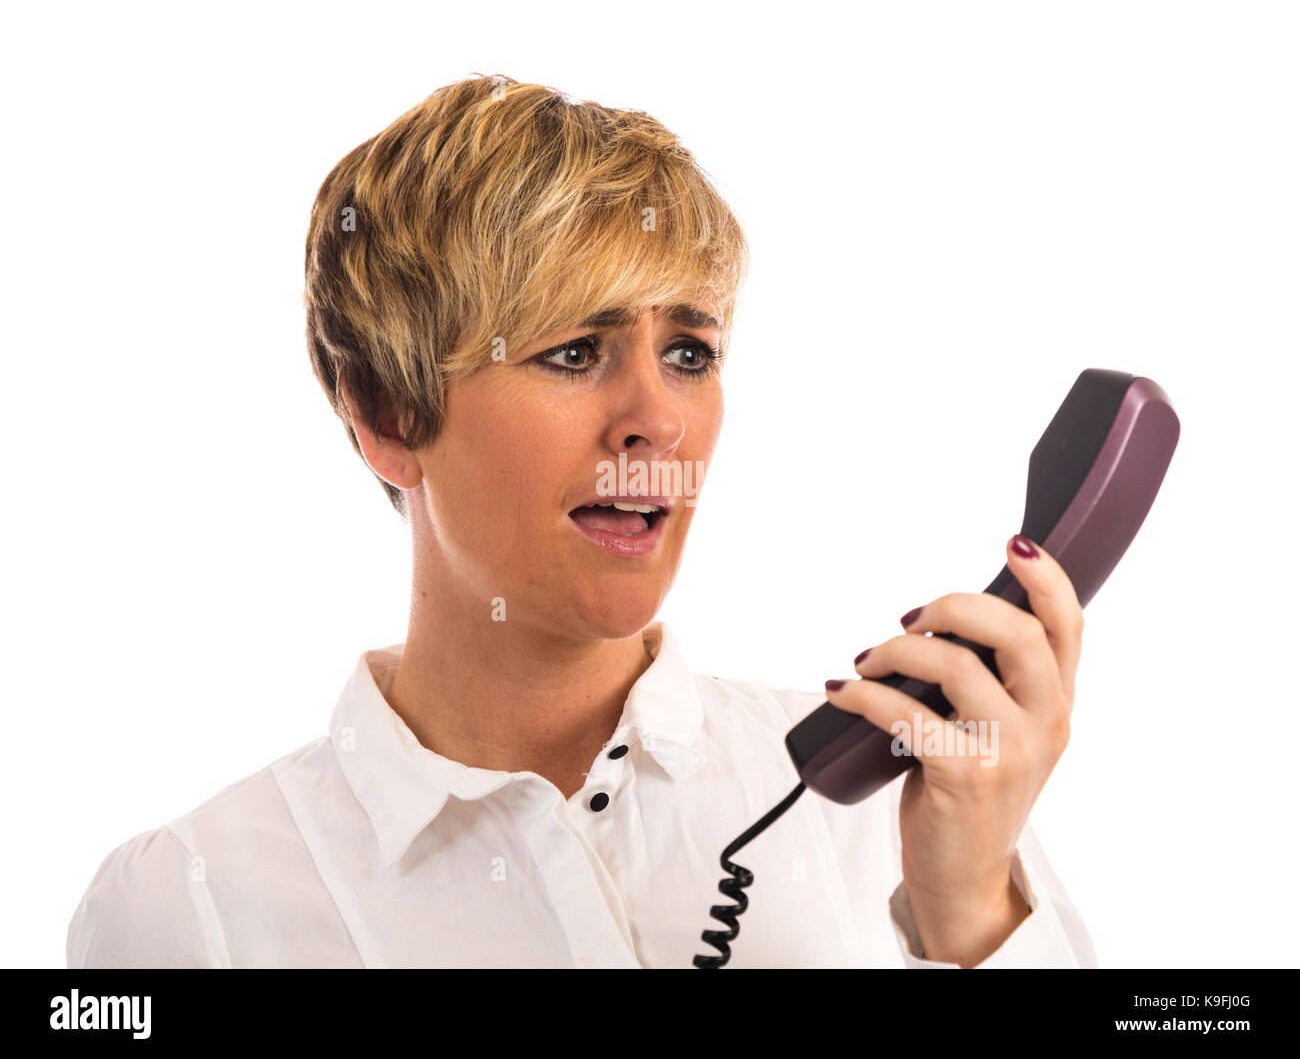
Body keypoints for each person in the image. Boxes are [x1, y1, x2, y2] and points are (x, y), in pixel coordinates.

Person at [66, 73, 1097, 968]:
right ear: (387, 415)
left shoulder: (900, 806)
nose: (655, 418)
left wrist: (971, 917)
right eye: (574, 351)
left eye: (688, 352)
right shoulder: (186, 904)